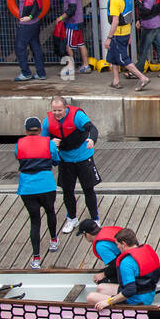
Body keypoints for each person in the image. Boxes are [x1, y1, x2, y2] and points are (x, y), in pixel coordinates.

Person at [43, 96, 101, 232]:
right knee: (67, 191)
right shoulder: (48, 121)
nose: (57, 113)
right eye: (54, 110)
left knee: (88, 189)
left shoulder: (77, 116)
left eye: (59, 110)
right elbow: (42, 141)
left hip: (83, 158)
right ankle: (72, 219)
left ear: (66, 108)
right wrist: (51, 143)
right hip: (65, 160)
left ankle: (95, 219)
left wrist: (92, 140)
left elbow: (93, 129)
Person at [17, 116, 60, 269]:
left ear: (26, 130)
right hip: (46, 184)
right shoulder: (48, 143)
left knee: (35, 221)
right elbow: (55, 161)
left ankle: (36, 258)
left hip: (27, 187)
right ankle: (54, 240)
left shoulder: (19, 144)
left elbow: (19, 158)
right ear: (41, 130)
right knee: (50, 211)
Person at [90, 229, 160, 309]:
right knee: (100, 287)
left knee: (90, 297)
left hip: (135, 301)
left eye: (117, 244)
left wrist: (108, 302)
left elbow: (130, 291)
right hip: (149, 295)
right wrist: (144, 286)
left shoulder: (126, 262)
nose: (117, 247)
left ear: (124, 244)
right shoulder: (148, 252)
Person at [102, 0, 149, 90]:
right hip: (125, 32)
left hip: (117, 34)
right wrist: (129, 35)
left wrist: (109, 37)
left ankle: (142, 78)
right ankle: (116, 80)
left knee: (123, 59)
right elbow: (129, 17)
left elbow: (115, 20)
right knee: (113, 57)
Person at [11, 0, 47, 82]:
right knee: (35, 46)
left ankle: (26, 72)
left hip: (27, 25)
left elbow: (35, 7)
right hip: (34, 24)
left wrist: (29, 17)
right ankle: (41, 72)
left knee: (20, 48)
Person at [54, 0, 91, 74]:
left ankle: (70, 68)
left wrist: (61, 18)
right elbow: (65, 1)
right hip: (78, 21)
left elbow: (72, 9)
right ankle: (85, 65)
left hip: (72, 23)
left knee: (68, 46)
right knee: (81, 44)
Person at [79, 219, 123, 283]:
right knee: (100, 273)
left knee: (99, 280)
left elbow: (116, 265)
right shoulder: (107, 230)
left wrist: (104, 274)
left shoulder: (100, 246)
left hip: (129, 267)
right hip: (133, 257)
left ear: (87, 234)